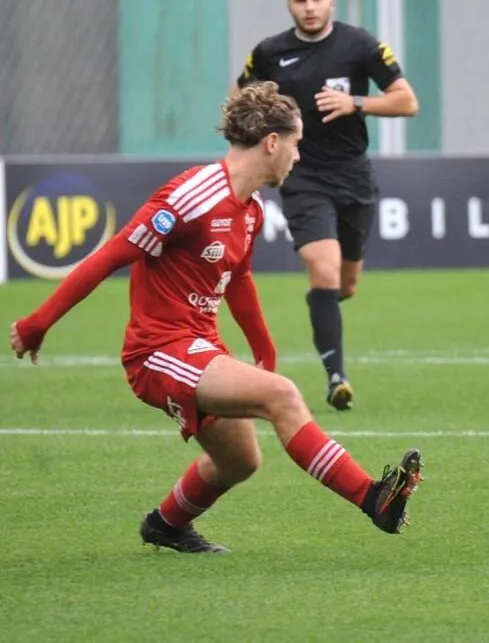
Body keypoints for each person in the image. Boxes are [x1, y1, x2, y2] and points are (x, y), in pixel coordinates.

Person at [8, 82, 422, 553]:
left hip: (199, 346)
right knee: (283, 397)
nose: (298, 156)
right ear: (271, 142)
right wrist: (39, 322)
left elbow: (239, 280)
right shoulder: (191, 196)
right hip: (157, 352)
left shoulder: (250, 211)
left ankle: (165, 525)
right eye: (296, 144)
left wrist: (263, 348)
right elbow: (111, 255)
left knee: (241, 460)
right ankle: (374, 499)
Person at [237, 0, 419, 410]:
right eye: (301, 1)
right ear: (289, 4)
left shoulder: (359, 45)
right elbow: (241, 108)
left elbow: (407, 101)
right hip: (300, 177)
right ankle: (336, 377)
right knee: (323, 270)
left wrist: (355, 102)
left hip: (353, 175)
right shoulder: (269, 53)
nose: (310, 7)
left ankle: (324, 305)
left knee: (345, 283)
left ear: (331, 1)